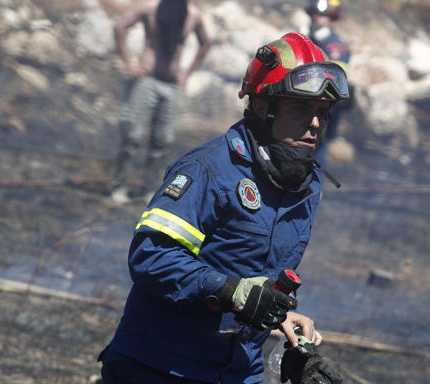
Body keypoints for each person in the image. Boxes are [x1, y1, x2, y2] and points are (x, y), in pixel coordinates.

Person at [98, 32, 347, 383]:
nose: (316, 124)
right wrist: (233, 292)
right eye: (301, 109)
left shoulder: (305, 186)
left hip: (239, 372)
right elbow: (151, 256)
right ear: (263, 106)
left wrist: (284, 325)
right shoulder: (209, 170)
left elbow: (259, 280)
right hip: (160, 367)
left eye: (323, 112)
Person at [110, 0, 210, 204]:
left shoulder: (193, 15)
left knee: (162, 140)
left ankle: (149, 190)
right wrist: (129, 62)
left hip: (171, 85)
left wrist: (187, 74)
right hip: (146, 79)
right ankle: (119, 186)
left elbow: (205, 43)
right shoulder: (150, 7)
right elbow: (119, 26)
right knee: (132, 136)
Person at [303, 0, 352, 166]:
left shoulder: (335, 46)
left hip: (323, 112)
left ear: (332, 18)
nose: (317, 19)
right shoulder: (307, 40)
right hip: (301, 109)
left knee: (314, 159)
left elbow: (334, 81)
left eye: (323, 15)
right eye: (315, 14)